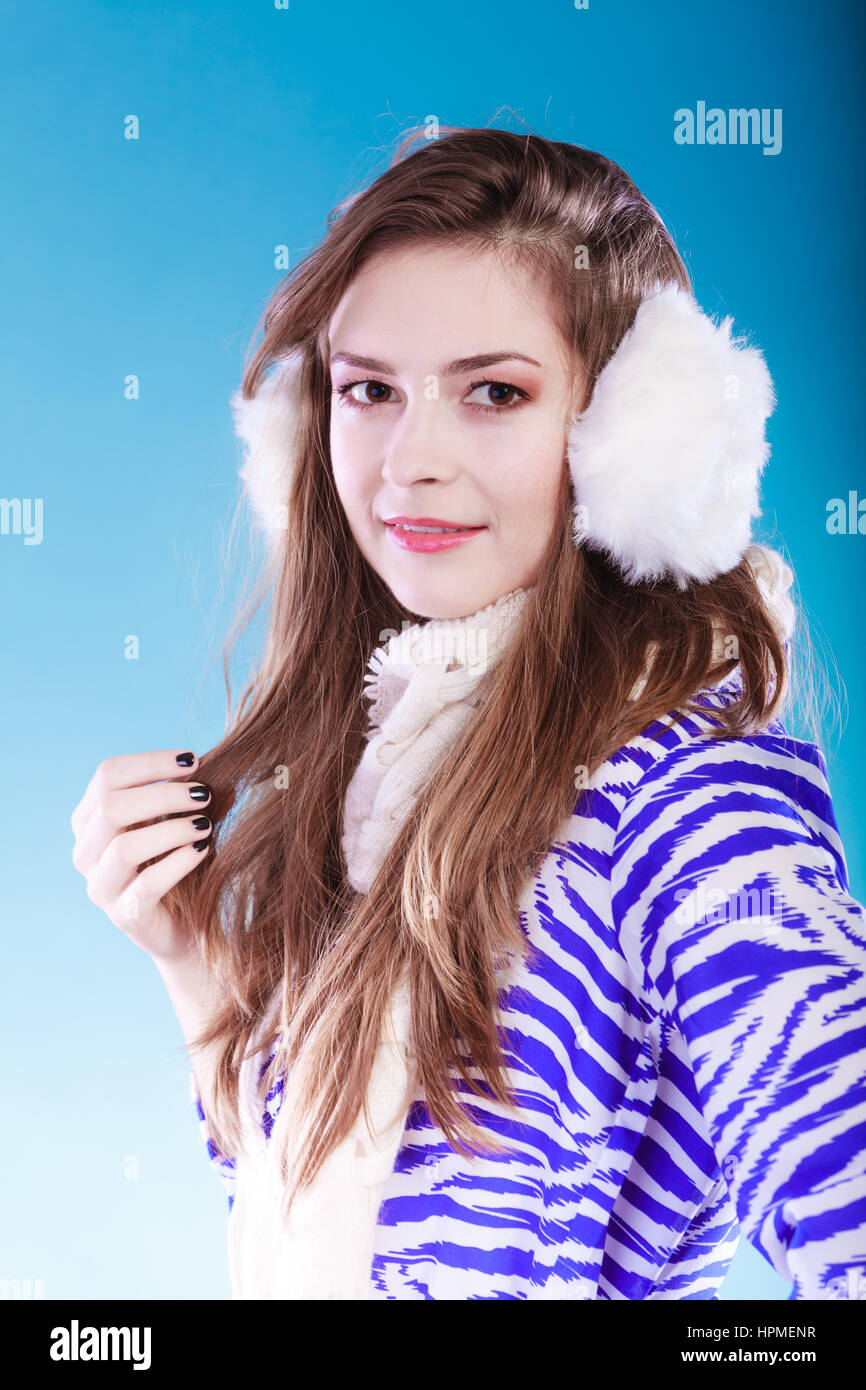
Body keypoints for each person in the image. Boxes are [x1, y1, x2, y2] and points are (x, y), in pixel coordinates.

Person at [70, 126, 866, 1301]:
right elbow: (339, 1255)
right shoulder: (399, 771)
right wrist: (204, 982)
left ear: (629, 437)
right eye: (370, 391)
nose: (408, 462)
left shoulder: (688, 802)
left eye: (493, 393)